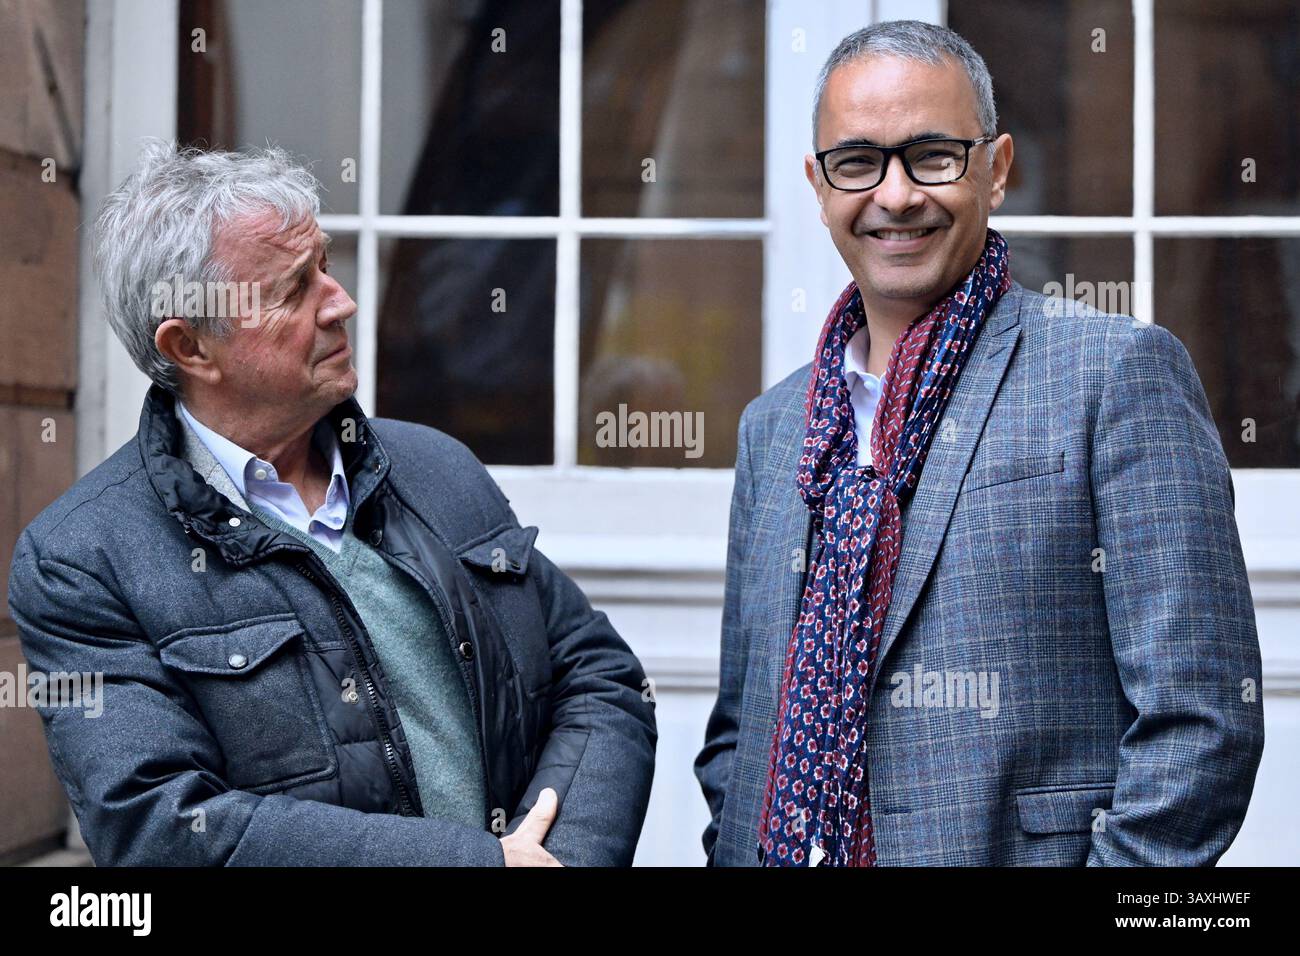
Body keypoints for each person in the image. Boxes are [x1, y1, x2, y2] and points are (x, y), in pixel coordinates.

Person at [695, 20, 1263, 866]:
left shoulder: (1115, 375)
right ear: (818, 186)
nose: (895, 195)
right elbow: (743, 727)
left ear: (995, 170)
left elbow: (1202, 722)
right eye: (858, 162)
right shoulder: (775, 428)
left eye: (932, 155)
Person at [8, 141, 656, 866]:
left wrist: (564, 855)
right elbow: (162, 826)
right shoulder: (83, 558)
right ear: (190, 346)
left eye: (325, 263)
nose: (340, 300)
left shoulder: (435, 467)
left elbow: (601, 677)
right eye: (294, 289)